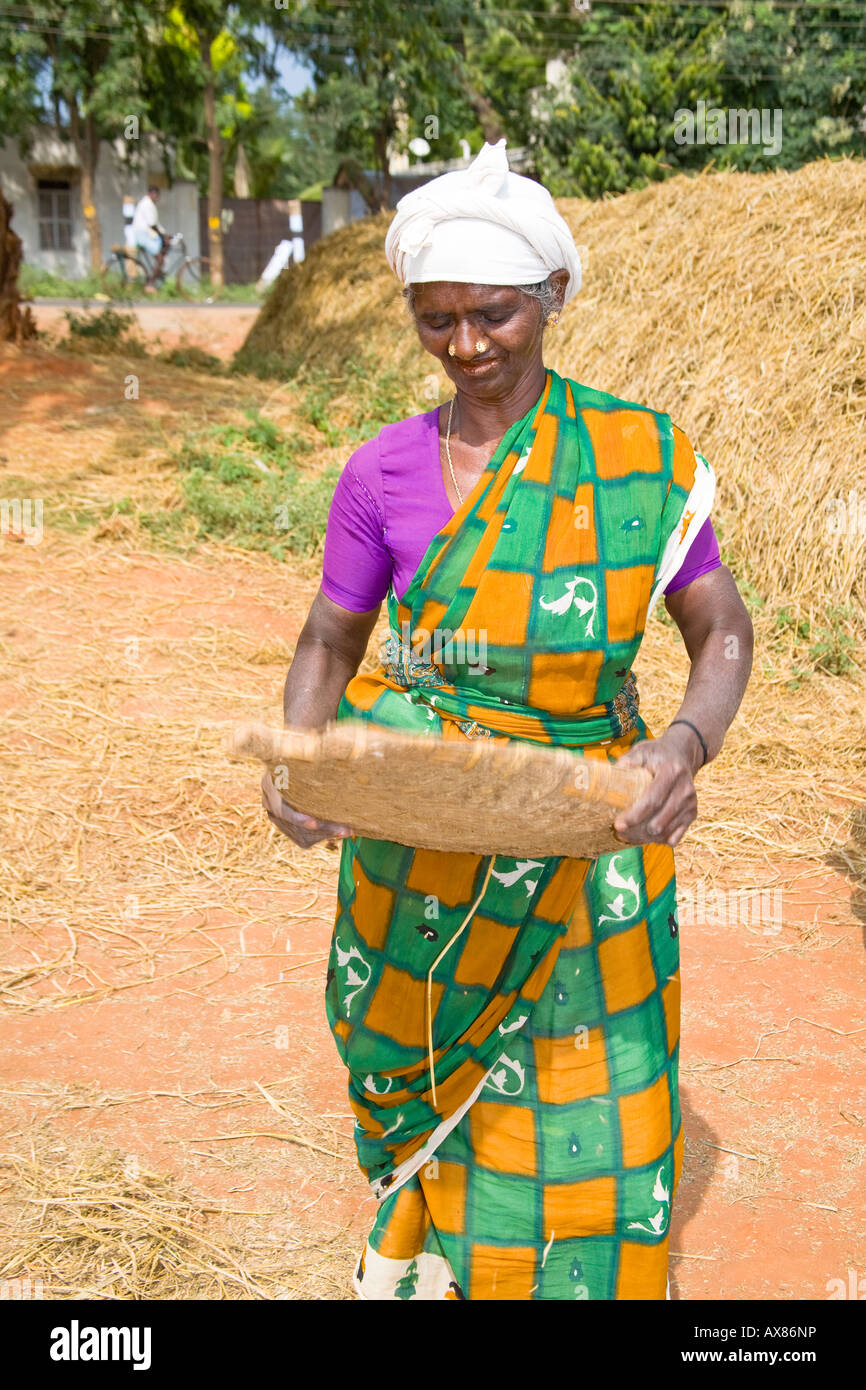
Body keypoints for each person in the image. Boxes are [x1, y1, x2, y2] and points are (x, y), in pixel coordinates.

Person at [261, 140, 753, 1301]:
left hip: (592, 822)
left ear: (553, 298)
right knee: (421, 1045)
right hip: (424, 818)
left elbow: (720, 631)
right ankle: (419, 1233)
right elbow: (330, 640)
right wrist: (298, 750)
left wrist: (680, 745)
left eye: (493, 315)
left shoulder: (637, 457)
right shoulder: (381, 472)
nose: (467, 348)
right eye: (435, 322)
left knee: (590, 1078)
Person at [130, 186, 166, 289]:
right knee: (160, 259)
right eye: (154, 195)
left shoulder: (149, 204)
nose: (156, 197)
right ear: (150, 194)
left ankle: (156, 278)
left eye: (157, 195)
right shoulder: (147, 204)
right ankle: (150, 284)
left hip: (146, 234)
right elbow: (152, 224)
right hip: (143, 235)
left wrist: (164, 234)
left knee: (161, 254)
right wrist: (162, 235)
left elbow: (155, 224)